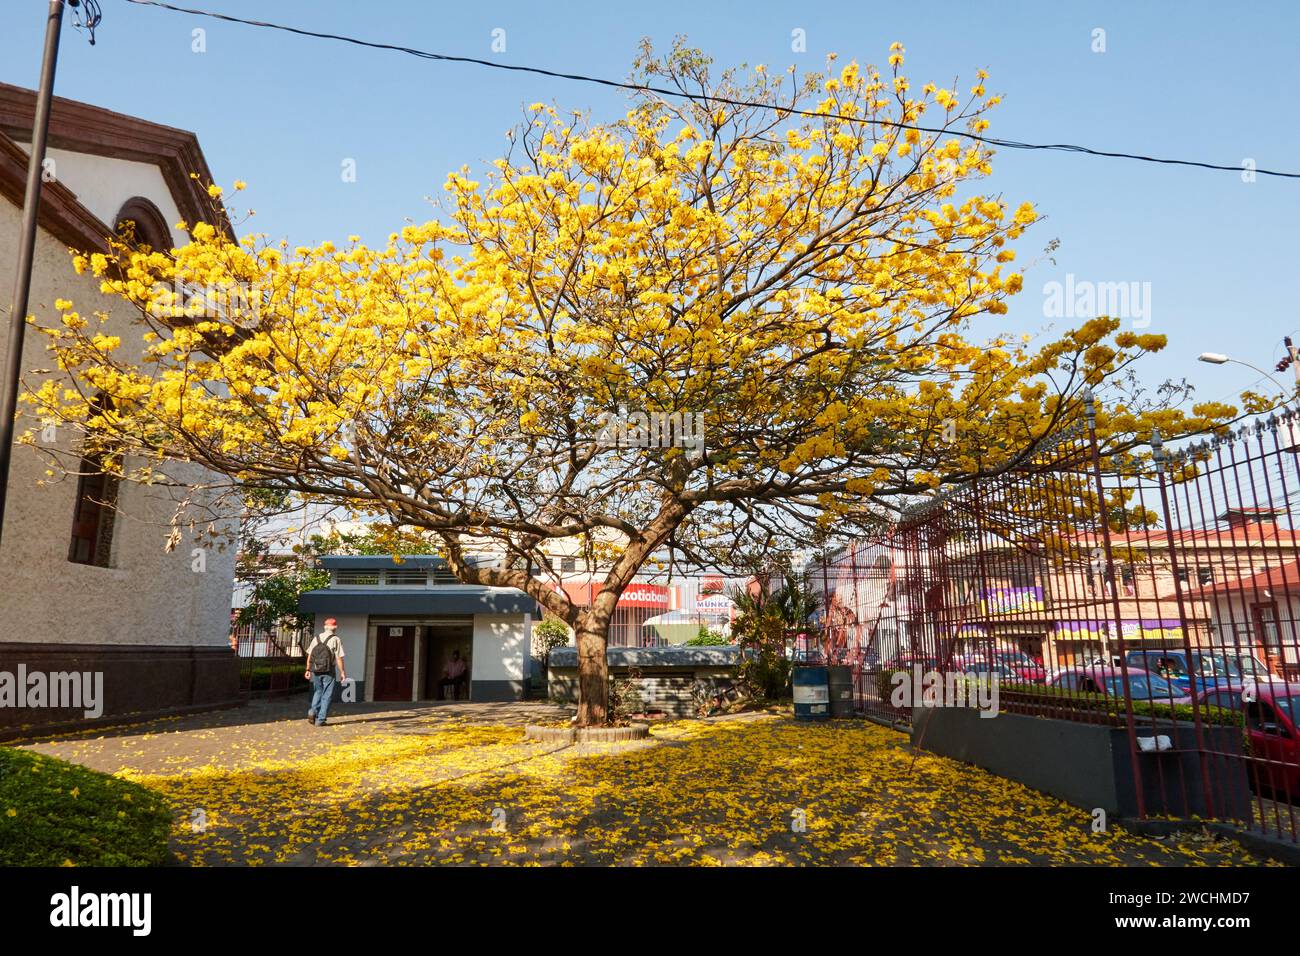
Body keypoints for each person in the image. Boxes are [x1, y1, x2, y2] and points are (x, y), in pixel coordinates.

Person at [304, 618, 347, 726]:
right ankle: (321, 719)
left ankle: (313, 711)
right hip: (329, 670)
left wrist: (308, 669)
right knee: (327, 694)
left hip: (316, 669)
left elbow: (310, 655)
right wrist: (342, 672)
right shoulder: (336, 639)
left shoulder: (316, 638)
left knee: (318, 691)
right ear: (335, 627)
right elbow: (338, 658)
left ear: (325, 626)